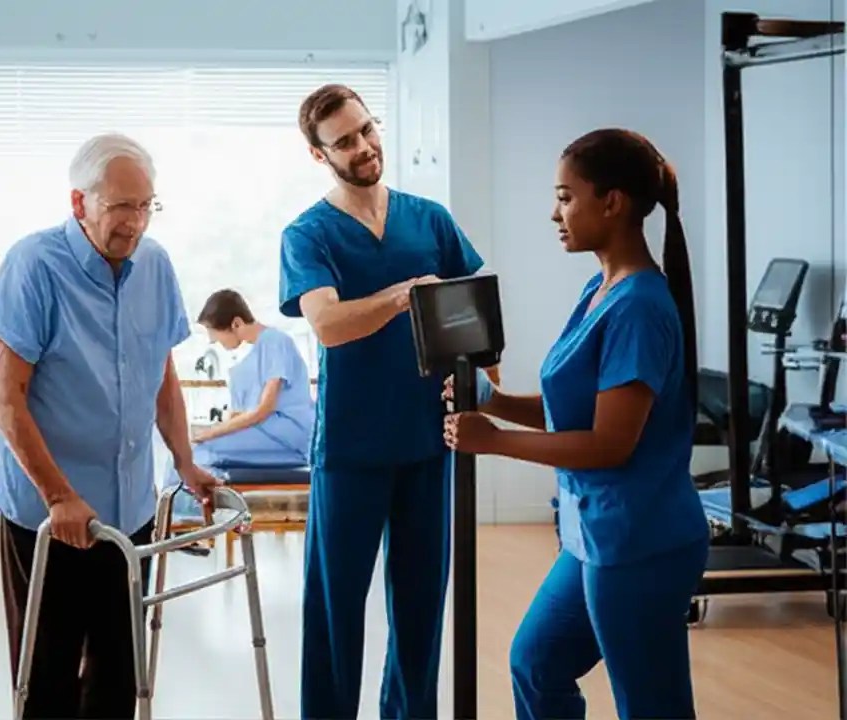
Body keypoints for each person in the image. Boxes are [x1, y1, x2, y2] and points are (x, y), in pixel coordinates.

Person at [443, 128, 709, 720]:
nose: (554, 213)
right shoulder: (601, 288)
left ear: (611, 202)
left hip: (642, 544)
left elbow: (611, 444)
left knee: (651, 705)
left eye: (565, 196)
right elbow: (578, 412)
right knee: (536, 664)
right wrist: (495, 401)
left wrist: (495, 442)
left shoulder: (639, 307)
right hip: (595, 534)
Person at [0, 132, 218, 719]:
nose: (135, 222)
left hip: (129, 511)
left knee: (119, 677)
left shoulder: (156, 265)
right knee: (47, 683)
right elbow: (4, 399)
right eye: (121, 206)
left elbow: (159, 373)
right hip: (48, 516)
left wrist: (185, 459)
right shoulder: (34, 266)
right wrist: (60, 496)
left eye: (146, 206)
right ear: (79, 203)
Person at [278, 83, 485, 719]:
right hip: (350, 448)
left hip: (428, 441)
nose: (365, 147)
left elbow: (476, 323)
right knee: (336, 610)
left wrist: (476, 377)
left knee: (422, 610)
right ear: (319, 155)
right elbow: (330, 326)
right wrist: (404, 296)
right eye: (345, 141)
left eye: (368, 130)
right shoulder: (307, 235)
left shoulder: (431, 220)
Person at [186, 289, 315, 469]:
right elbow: (249, 411)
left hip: (289, 435)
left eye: (214, 332)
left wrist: (210, 433)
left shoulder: (275, 342)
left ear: (236, 323)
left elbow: (263, 410)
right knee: (190, 452)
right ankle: (171, 497)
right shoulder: (255, 353)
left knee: (200, 452)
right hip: (267, 430)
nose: (212, 340)